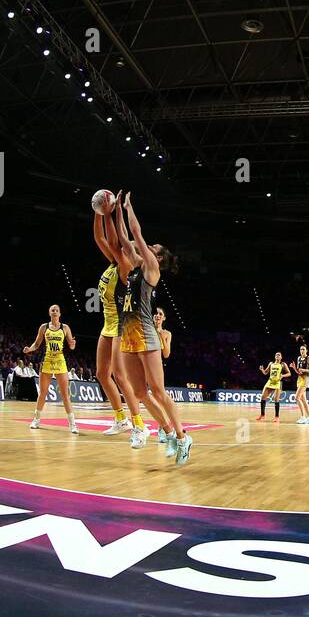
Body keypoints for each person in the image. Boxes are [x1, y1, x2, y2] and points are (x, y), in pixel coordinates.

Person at [112, 191, 192, 464]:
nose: (147, 249)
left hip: (146, 333)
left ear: (158, 258)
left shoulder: (151, 270)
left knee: (158, 391)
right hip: (127, 334)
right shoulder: (135, 267)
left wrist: (128, 206)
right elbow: (125, 239)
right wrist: (116, 213)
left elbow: (136, 232)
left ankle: (183, 437)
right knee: (138, 393)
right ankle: (168, 431)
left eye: (152, 249)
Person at [91, 196, 144, 437]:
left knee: (121, 377)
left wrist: (109, 213)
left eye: (128, 244)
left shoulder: (127, 267)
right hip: (108, 324)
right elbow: (100, 239)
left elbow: (112, 241)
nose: (124, 245)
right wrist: (98, 211)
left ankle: (139, 425)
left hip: (122, 326)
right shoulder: (114, 263)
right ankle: (121, 419)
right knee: (102, 374)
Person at [23, 304, 79, 434]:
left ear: (60, 314)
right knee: (43, 393)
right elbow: (37, 344)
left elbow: (71, 346)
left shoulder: (65, 328)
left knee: (65, 395)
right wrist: (29, 349)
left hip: (60, 361)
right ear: (49, 313)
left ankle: (72, 424)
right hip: (47, 361)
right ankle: (36, 420)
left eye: (57, 310)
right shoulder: (44, 327)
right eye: (52, 310)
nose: (55, 312)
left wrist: (72, 344)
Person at [258, 351, 291, 422]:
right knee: (263, 397)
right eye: (276, 355)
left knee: (276, 400)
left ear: (281, 357)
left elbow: (289, 373)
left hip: (277, 382)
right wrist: (262, 370)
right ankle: (262, 415)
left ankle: (277, 417)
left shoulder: (283, 364)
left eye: (279, 355)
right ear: (275, 356)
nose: (277, 355)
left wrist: (282, 376)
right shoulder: (271, 363)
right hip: (270, 382)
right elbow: (265, 373)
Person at [290, 344, 309, 424]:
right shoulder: (298, 358)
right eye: (301, 349)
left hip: (306, 379)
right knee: (304, 400)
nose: (302, 351)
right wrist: (294, 368)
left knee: (297, 398)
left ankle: (303, 417)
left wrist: (305, 370)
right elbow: (299, 371)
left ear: (306, 350)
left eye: (303, 349)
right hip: (299, 379)